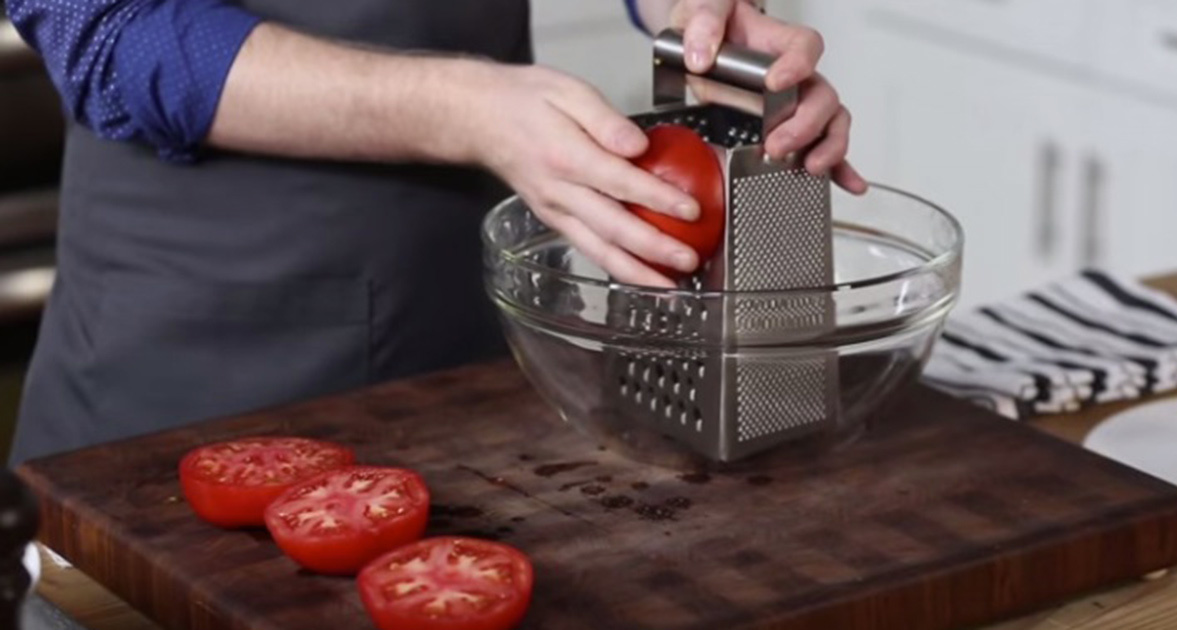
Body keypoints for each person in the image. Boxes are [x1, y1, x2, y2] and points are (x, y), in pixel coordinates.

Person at [5, 0, 866, 464]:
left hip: (479, 357)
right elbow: (104, 34)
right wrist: (462, 107)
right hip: (199, 361)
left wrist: (702, 15)